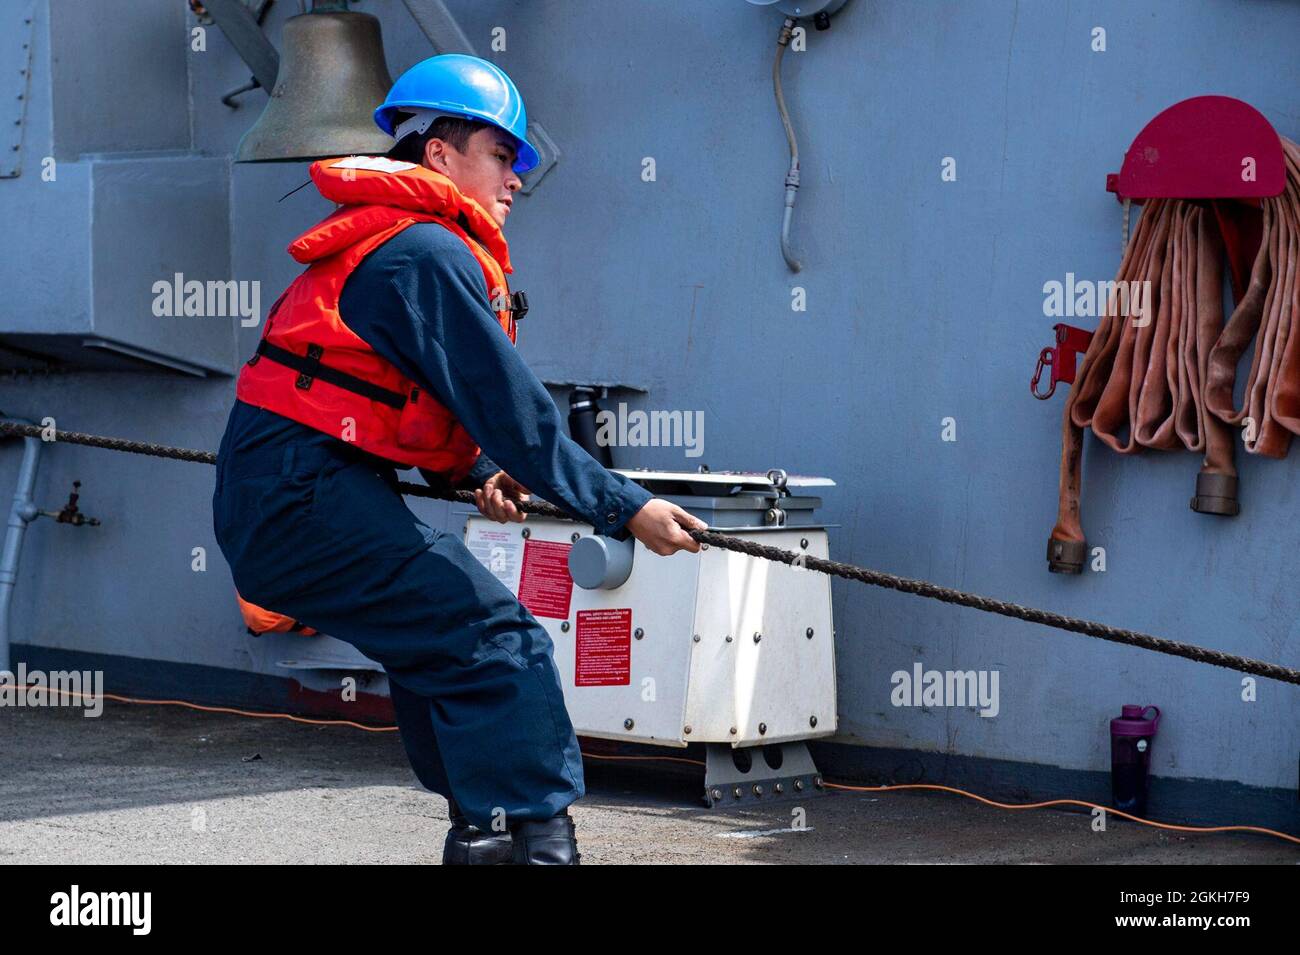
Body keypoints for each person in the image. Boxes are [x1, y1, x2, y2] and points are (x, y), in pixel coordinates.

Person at [211, 54, 706, 865]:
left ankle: (481, 836)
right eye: (503, 155)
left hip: (283, 495)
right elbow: (515, 415)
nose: (516, 179)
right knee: (500, 639)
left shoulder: (399, 247)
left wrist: (474, 472)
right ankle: (542, 849)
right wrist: (623, 504)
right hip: (303, 498)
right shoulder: (426, 254)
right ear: (439, 153)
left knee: (440, 646)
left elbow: (397, 398)